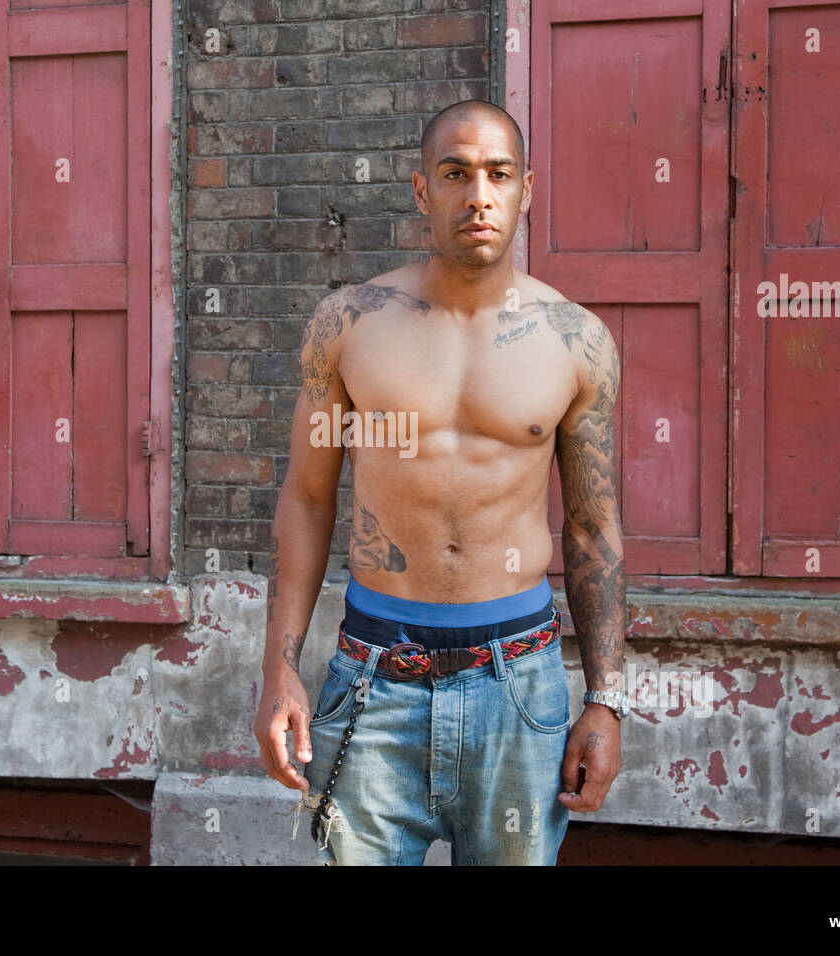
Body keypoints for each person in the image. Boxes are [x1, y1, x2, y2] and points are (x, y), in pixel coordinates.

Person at [253, 99, 628, 865]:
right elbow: (308, 496)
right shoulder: (350, 326)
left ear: (526, 187)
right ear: (424, 190)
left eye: (498, 174)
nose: (478, 195)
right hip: (373, 677)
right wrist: (279, 668)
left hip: (518, 684)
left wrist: (605, 698)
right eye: (455, 173)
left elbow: (592, 530)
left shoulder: (576, 341)